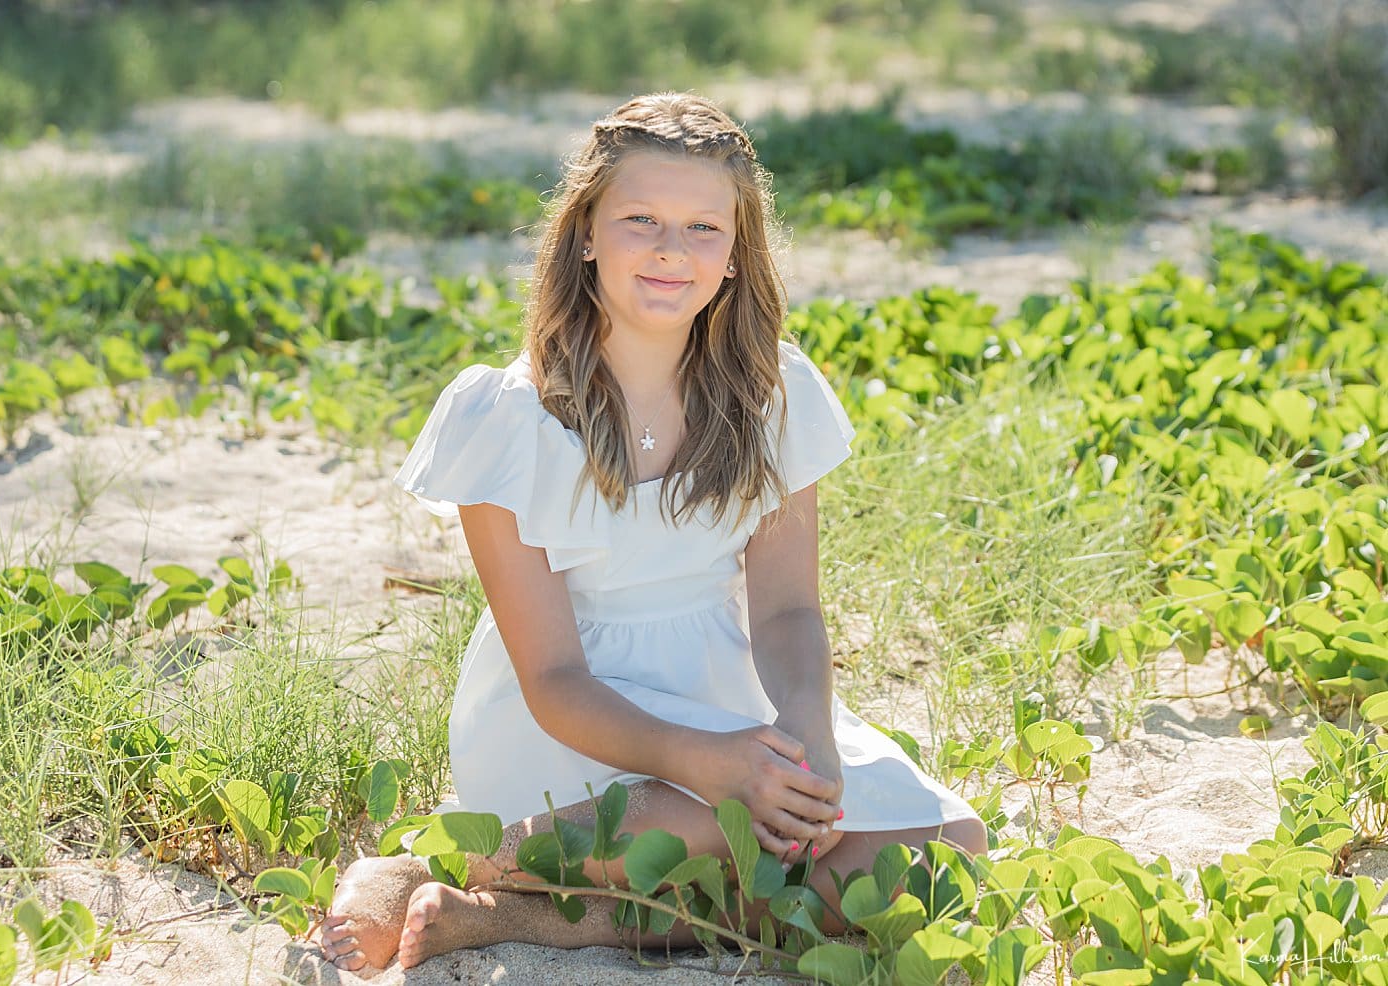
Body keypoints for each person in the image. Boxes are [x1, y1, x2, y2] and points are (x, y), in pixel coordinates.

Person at [318, 91, 986, 973]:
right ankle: (448, 861)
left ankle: (550, 920)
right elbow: (552, 679)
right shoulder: (510, 419)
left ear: (737, 255)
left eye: (704, 228)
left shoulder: (772, 395)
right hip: (572, 718)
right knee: (704, 816)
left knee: (943, 851)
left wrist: (808, 740)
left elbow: (787, 612)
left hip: (722, 691)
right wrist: (707, 765)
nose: (673, 250)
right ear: (586, 234)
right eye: (642, 220)